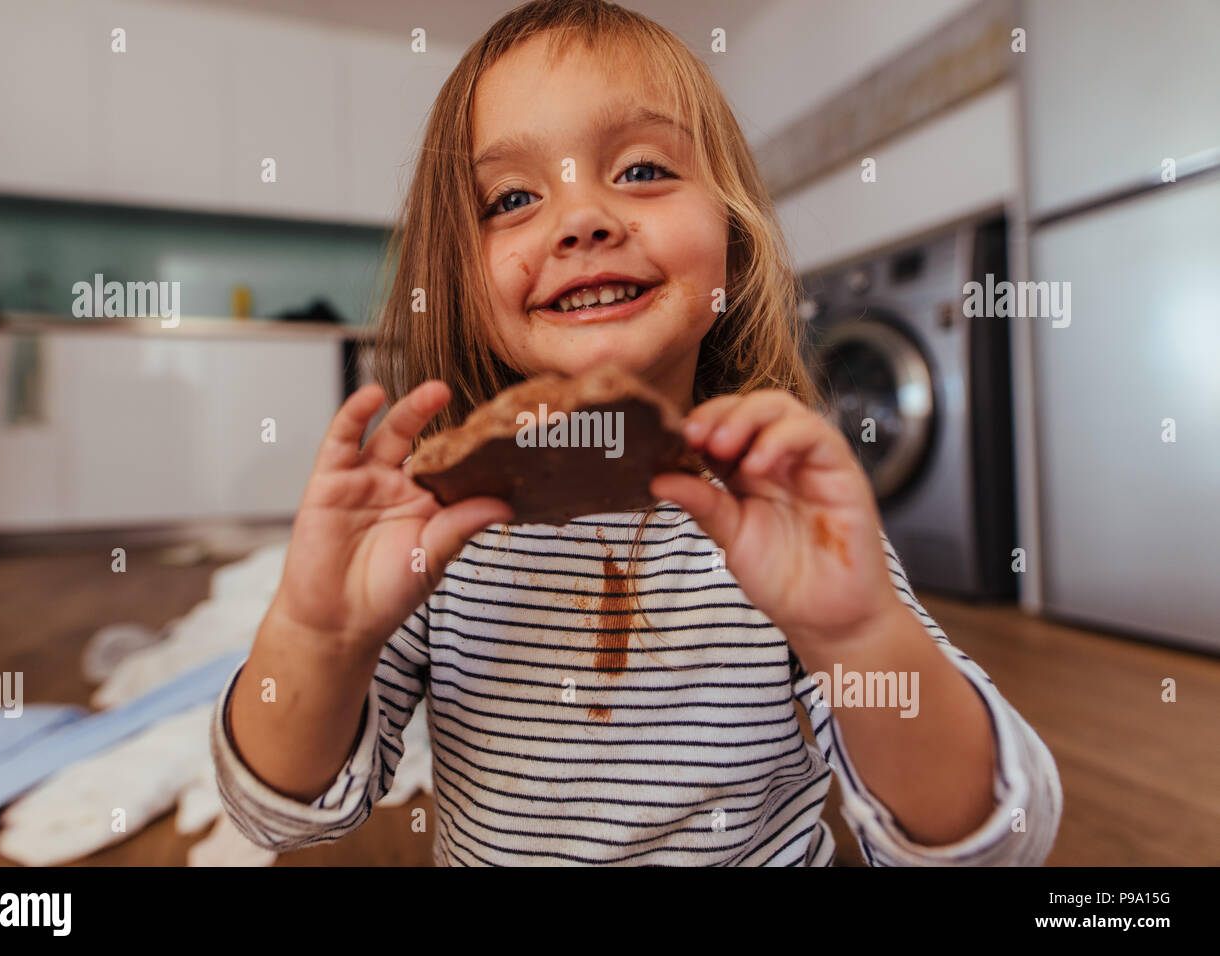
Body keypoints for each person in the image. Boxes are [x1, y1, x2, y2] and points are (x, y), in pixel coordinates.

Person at [211, 0, 1062, 866]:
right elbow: (285, 816)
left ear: (730, 238)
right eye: (512, 197)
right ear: (459, 279)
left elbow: (994, 843)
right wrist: (317, 637)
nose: (582, 221)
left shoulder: (783, 521)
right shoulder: (434, 533)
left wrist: (857, 640)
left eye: (644, 171)